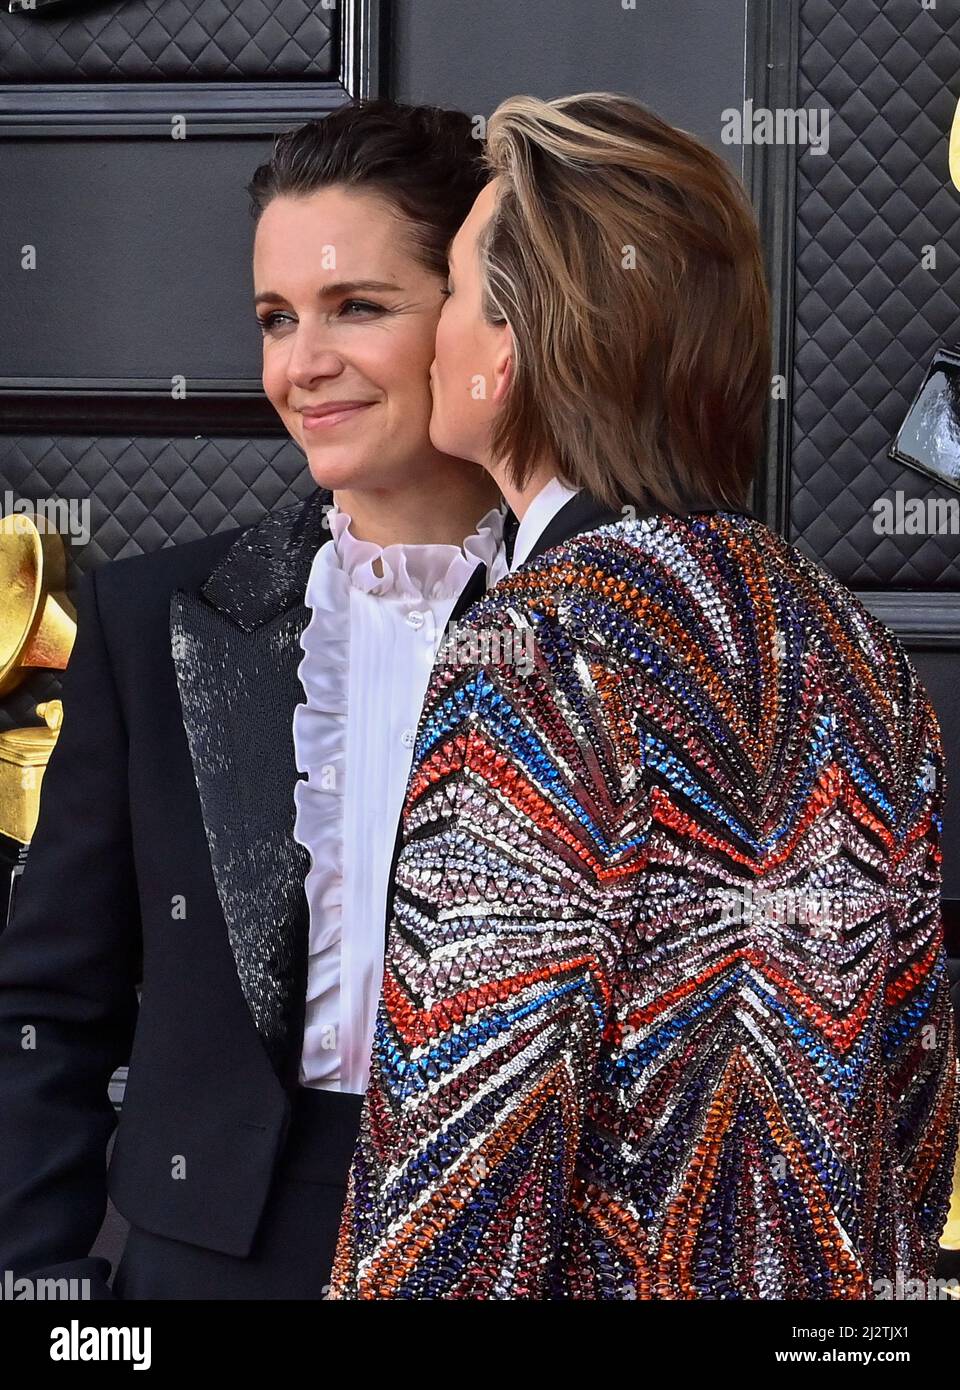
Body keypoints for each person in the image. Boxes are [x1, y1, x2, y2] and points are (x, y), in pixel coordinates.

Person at [329, 91, 960, 1299]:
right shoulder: (859, 652)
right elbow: (917, 1103)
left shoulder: (538, 652)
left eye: (455, 290)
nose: (437, 331)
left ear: (510, 351)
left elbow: (461, 1163)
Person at [0, 99, 504, 1300]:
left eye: (358, 308)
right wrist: (40, 1287)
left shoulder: (615, 619)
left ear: (482, 316)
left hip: (517, 1249)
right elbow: (48, 1008)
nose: (300, 363)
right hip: (207, 1267)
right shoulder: (155, 619)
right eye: (276, 319)